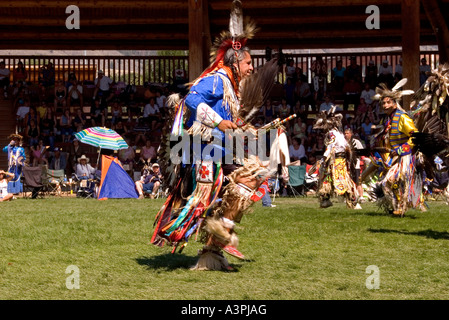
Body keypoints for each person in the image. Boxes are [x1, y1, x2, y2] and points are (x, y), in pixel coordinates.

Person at [152, 1, 282, 271]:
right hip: (204, 151)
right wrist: (219, 121)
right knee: (204, 204)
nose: (251, 69)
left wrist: (242, 127)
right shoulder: (215, 80)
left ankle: (216, 245)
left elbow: (230, 122)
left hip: (222, 150)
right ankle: (213, 239)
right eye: (248, 63)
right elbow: (190, 101)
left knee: (254, 177)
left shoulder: (231, 88)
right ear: (235, 62)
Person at [365, 79, 423, 216]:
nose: (385, 105)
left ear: (394, 103)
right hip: (394, 157)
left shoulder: (402, 117)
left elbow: (415, 136)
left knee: (390, 181)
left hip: (405, 157)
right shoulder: (388, 120)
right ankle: (397, 207)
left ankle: (400, 207)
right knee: (388, 183)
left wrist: (401, 150)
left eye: (388, 102)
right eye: (383, 103)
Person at [313, 107, 359, 209]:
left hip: (336, 161)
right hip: (339, 160)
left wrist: (323, 158)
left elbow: (330, 146)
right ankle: (326, 200)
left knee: (339, 180)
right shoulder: (339, 133)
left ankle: (352, 200)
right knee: (328, 180)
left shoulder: (332, 133)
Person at [344, 128, 364, 203]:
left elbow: (362, 152)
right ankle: (349, 196)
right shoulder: (343, 143)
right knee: (347, 182)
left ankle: (361, 197)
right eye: (345, 133)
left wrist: (352, 153)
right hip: (346, 165)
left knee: (358, 181)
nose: (346, 135)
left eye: (347, 133)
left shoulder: (356, 142)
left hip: (356, 165)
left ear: (351, 134)